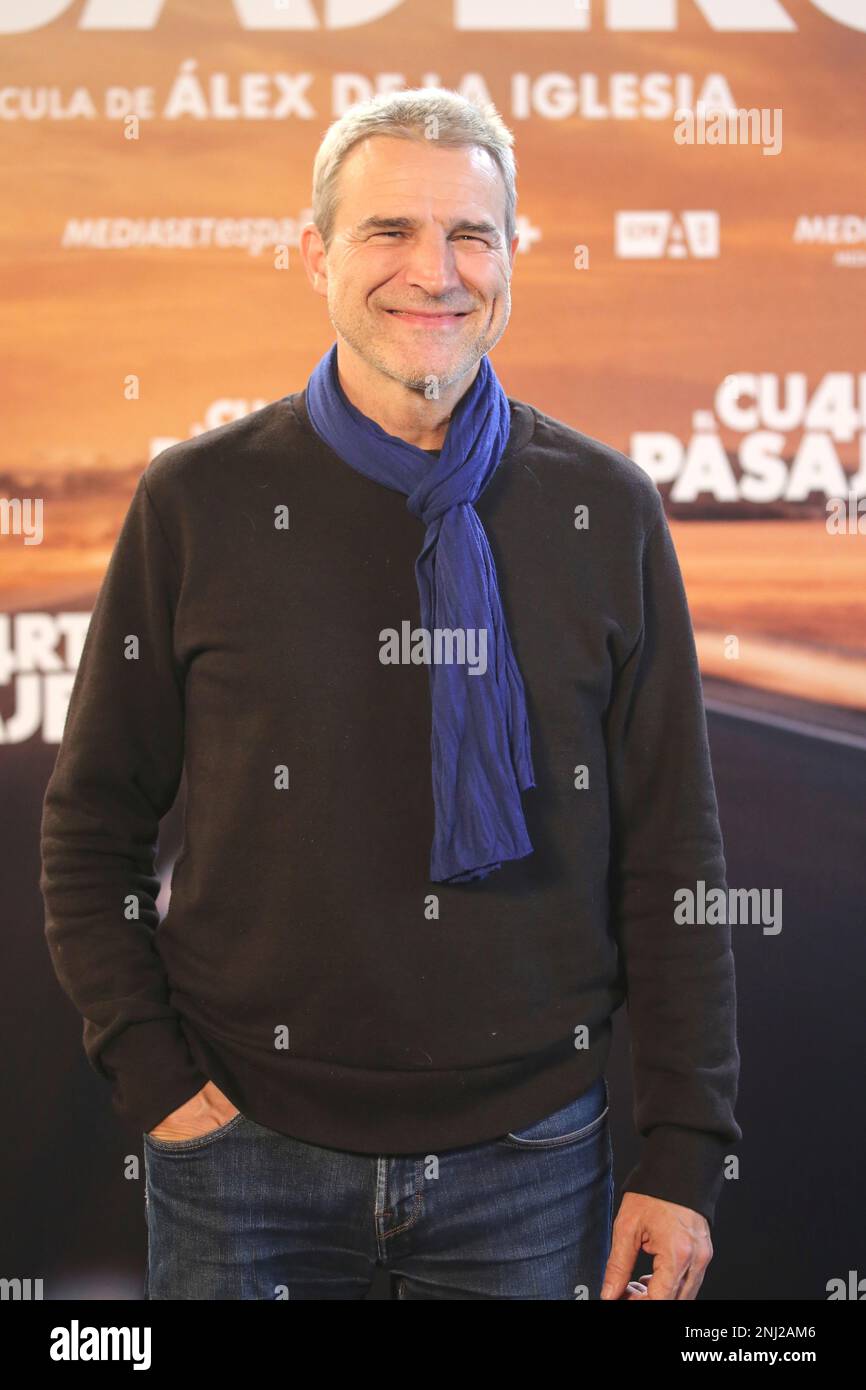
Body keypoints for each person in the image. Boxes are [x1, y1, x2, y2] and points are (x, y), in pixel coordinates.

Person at [40, 87, 741, 1301]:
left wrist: (682, 1151)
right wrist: (152, 1076)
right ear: (314, 254)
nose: (436, 271)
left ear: (510, 257)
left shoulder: (606, 511)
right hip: (238, 1158)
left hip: (529, 1160)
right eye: (388, 233)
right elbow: (89, 823)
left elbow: (672, 851)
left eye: (471, 234)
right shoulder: (197, 504)